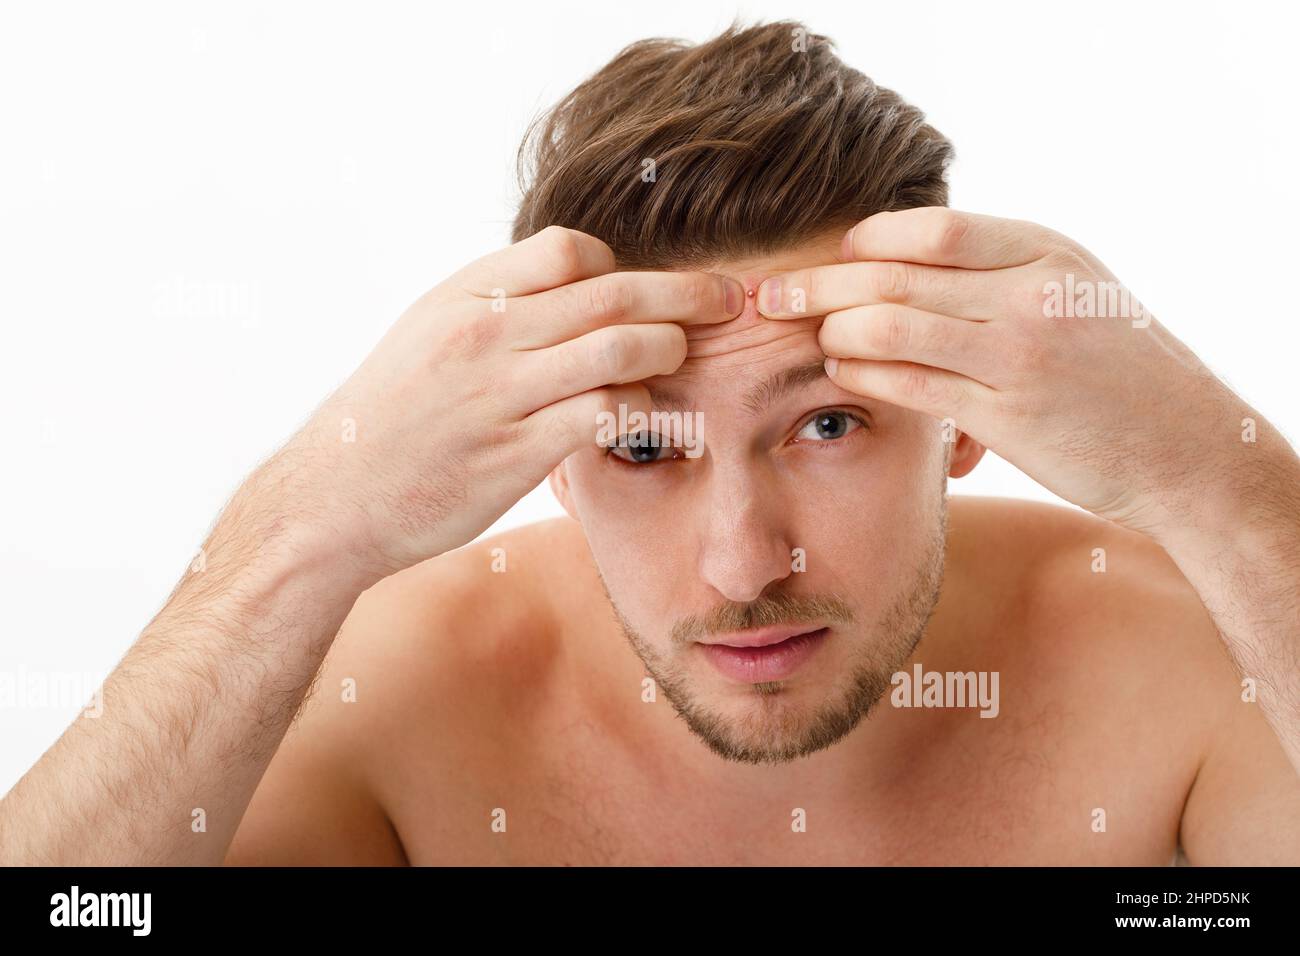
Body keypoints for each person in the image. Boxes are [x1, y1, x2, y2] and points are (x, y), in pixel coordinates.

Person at [2, 20, 1297, 866]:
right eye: (641, 450)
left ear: (960, 419)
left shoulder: (1187, 646)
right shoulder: (397, 694)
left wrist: (1223, 482)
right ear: (547, 456)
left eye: (827, 423)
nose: (741, 566)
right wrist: (300, 534)